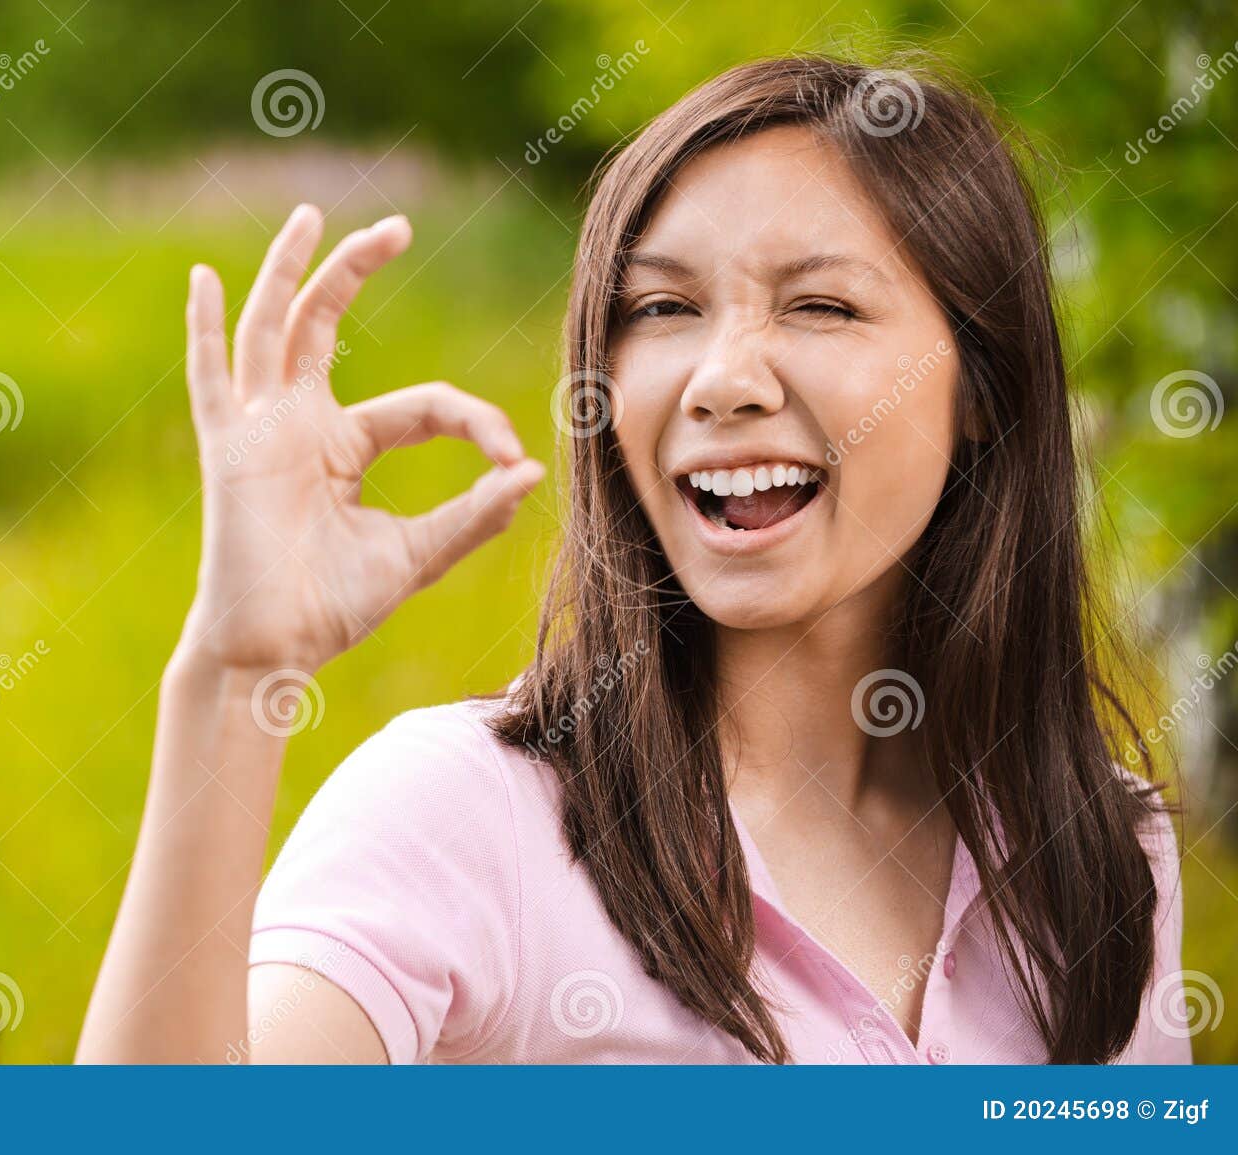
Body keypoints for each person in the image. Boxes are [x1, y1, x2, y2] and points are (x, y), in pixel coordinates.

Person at [76, 55, 1190, 1064]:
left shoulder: (1098, 851)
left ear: (983, 391)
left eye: (819, 305)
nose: (720, 379)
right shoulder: (468, 813)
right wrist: (231, 675)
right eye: (661, 307)